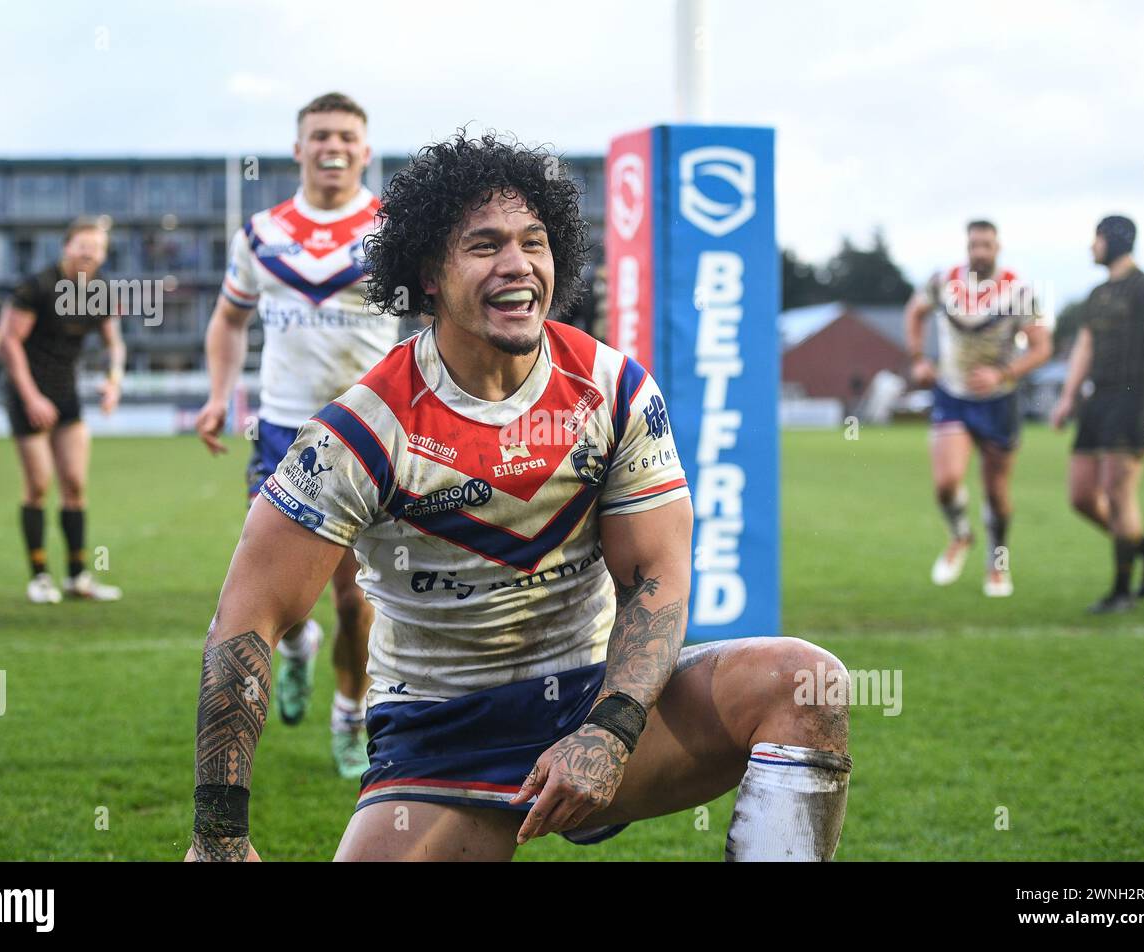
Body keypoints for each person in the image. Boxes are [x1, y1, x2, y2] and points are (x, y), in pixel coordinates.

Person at [186, 133, 853, 862]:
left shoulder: (615, 389)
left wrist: (607, 729)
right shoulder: (362, 430)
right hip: (444, 738)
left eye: (533, 241)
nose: (517, 265)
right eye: (483, 246)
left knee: (806, 682)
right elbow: (247, 620)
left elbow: (656, 580)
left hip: (597, 700)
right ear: (429, 273)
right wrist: (220, 835)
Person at [193, 92, 395, 778]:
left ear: (365, 150)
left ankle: (350, 712)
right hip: (281, 430)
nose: (332, 146)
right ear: (298, 148)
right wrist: (220, 395)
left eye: (345, 135)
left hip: (369, 431)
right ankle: (299, 649)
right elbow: (227, 320)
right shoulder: (260, 234)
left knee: (354, 595)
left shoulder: (394, 230)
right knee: (279, 590)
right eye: (319, 135)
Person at [905, 220, 1052, 597]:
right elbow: (914, 312)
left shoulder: (1018, 291)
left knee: (996, 492)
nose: (979, 252)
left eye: (986, 244)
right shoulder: (944, 281)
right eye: (974, 244)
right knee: (945, 483)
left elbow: (1042, 348)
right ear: (967, 246)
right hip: (952, 393)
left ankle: (997, 565)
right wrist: (919, 358)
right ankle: (960, 536)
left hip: (999, 401)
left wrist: (1003, 373)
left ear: (998, 246)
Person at [1051, 215, 1144, 613]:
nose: (1091, 247)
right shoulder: (1096, 295)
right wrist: (1067, 397)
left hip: (1134, 402)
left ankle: (1122, 591)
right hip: (1098, 402)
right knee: (1080, 495)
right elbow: (1084, 349)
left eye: (1096, 239)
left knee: (1118, 493)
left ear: (1114, 240)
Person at [0, 217, 125, 604]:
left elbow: (114, 344)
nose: (89, 253)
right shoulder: (36, 287)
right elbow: (9, 342)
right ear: (66, 247)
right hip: (27, 394)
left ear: (104, 254)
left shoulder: (102, 290)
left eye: (96, 247)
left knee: (74, 484)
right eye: (82, 245)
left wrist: (113, 381)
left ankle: (77, 576)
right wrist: (31, 397)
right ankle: (39, 576)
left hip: (66, 393)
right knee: (38, 484)